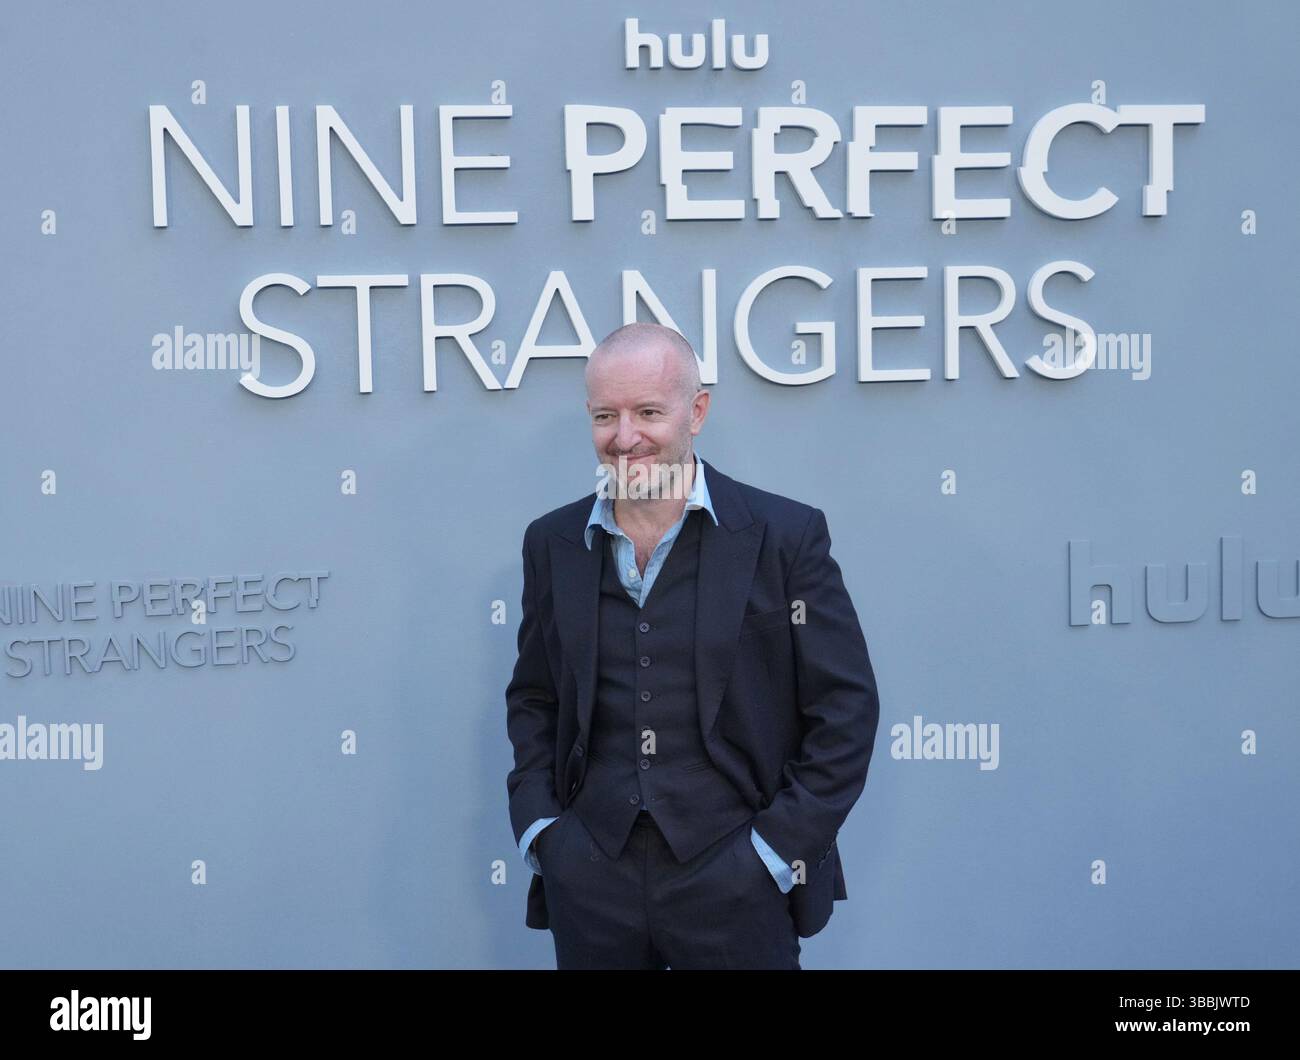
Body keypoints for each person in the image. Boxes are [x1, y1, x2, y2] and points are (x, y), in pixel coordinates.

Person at [504, 322, 880, 969]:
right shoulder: (552, 543)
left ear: (696, 411)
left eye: (648, 411)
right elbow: (534, 697)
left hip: (739, 879)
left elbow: (846, 711)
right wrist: (545, 834)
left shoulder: (785, 537)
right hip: (591, 879)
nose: (625, 437)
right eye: (605, 415)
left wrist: (770, 852)